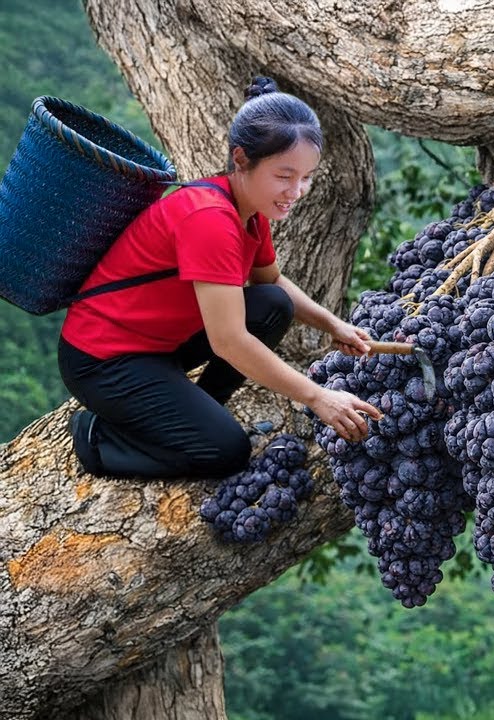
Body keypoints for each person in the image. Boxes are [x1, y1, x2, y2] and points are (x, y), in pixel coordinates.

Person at [59, 76, 381, 479]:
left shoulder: (249, 211)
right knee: (225, 452)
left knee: (272, 305)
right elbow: (228, 341)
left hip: (159, 346)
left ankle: (197, 409)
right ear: (242, 159)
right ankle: (97, 438)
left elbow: (273, 285)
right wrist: (317, 397)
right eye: (284, 176)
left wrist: (334, 325)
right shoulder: (209, 218)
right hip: (104, 359)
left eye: (307, 177)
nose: (297, 191)